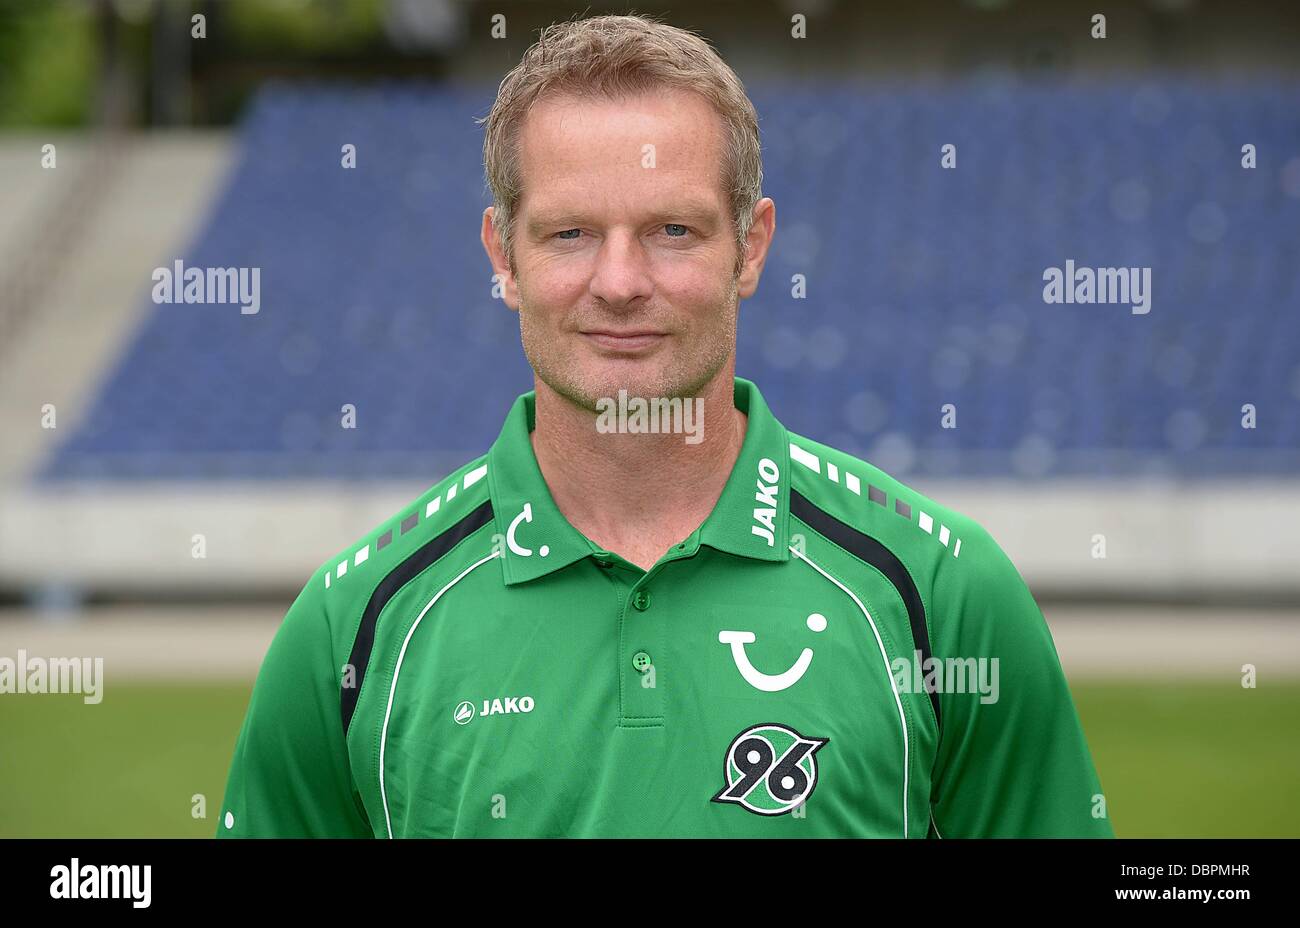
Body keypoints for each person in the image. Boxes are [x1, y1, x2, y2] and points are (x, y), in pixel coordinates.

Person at [217, 13, 1111, 838]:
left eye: (673, 230)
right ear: (504, 258)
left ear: (751, 248)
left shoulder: (941, 595)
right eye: (569, 233)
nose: (618, 281)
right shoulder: (355, 625)